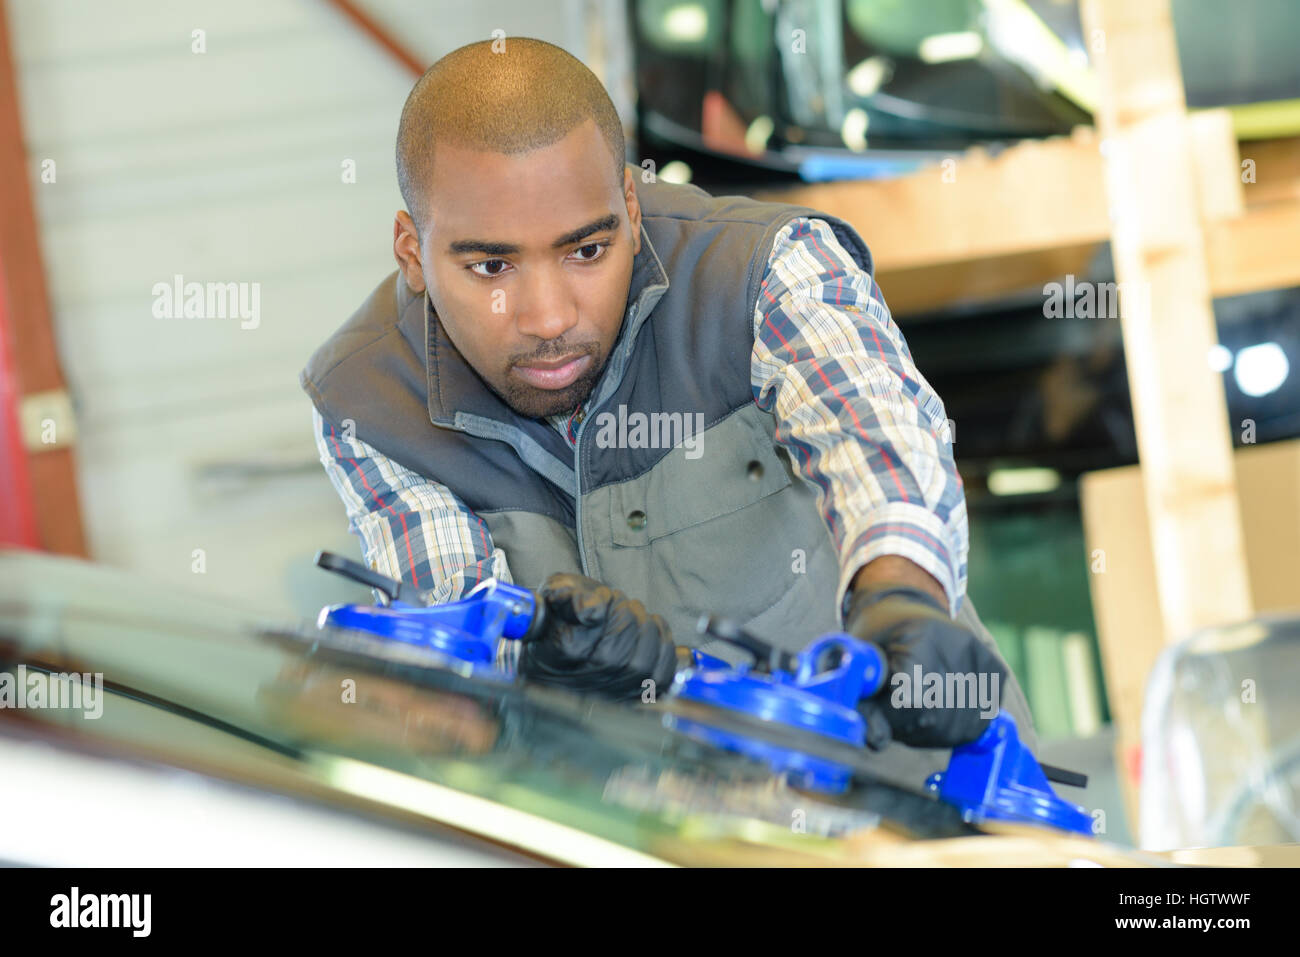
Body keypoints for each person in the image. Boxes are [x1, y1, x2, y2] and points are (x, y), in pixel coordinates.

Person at [301, 37, 1036, 781]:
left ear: (628, 202)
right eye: (492, 266)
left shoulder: (764, 270)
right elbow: (453, 640)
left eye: (586, 250)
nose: (551, 316)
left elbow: (878, 439)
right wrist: (534, 655)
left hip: (926, 805)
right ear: (412, 253)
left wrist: (901, 594)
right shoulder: (366, 401)